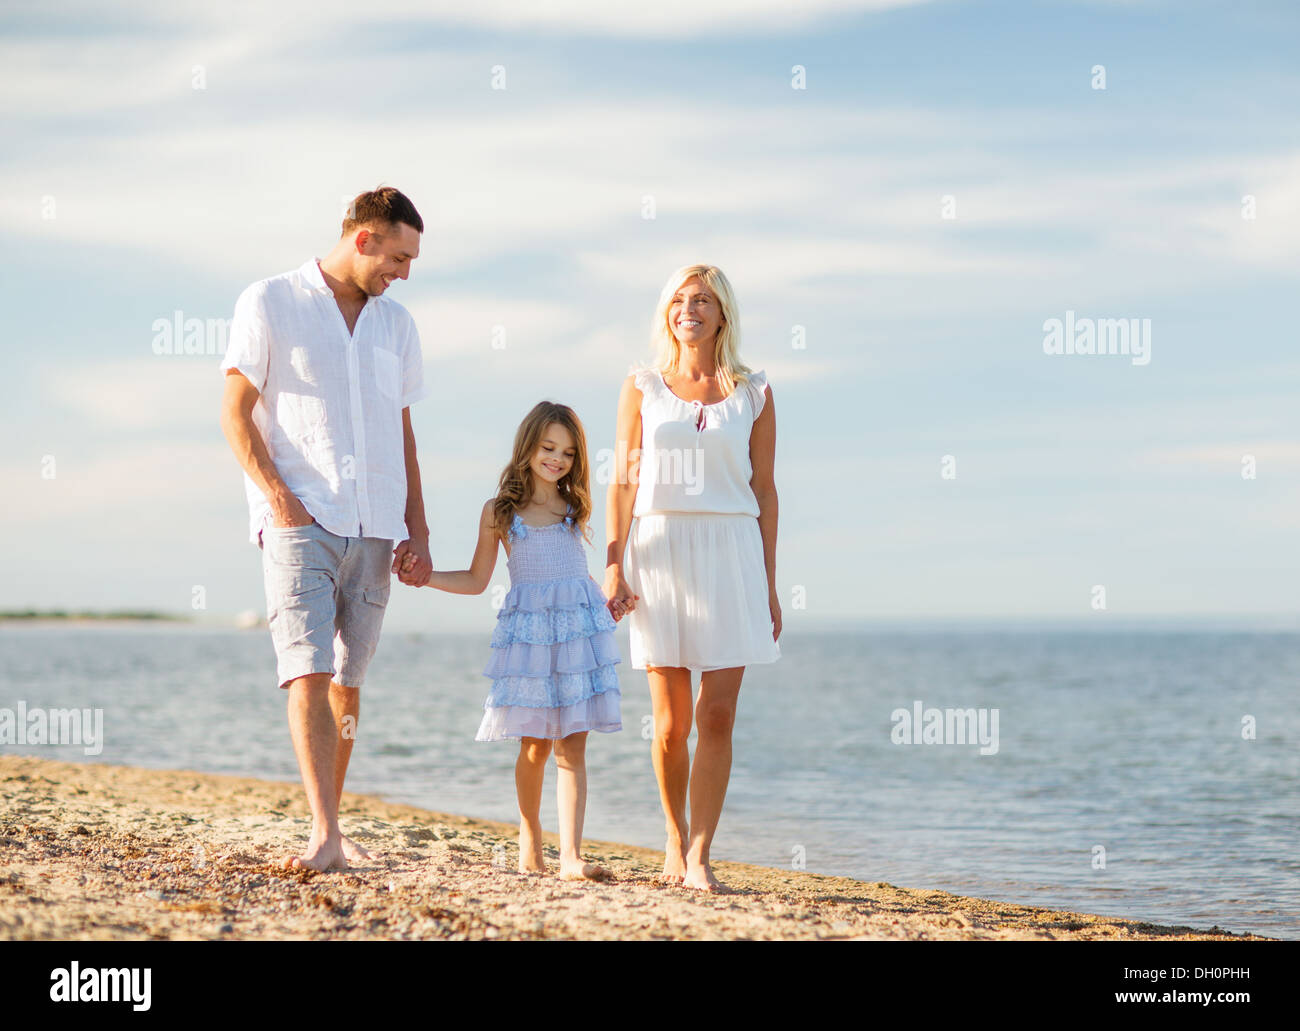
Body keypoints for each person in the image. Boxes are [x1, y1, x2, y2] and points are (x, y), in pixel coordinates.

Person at [218, 186, 432, 873]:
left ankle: (333, 825)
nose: (404, 273)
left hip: (375, 526)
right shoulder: (270, 301)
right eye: (398, 256)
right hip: (301, 519)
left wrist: (417, 528)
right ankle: (323, 832)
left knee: (349, 679)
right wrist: (280, 498)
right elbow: (234, 410)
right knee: (305, 669)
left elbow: (404, 433)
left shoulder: (397, 327)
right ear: (364, 238)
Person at [604, 263, 781, 892]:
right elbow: (623, 478)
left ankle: (702, 854)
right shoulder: (643, 385)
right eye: (679, 300)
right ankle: (674, 839)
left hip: (731, 548)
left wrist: (769, 582)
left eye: (703, 300)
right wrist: (613, 562)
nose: (690, 309)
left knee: (719, 716)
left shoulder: (753, 391)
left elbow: (764, 487)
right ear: (667, 313)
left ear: (722, 312)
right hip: (660, 547)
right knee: (672, 721)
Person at [402, 402, 620, 880]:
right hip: (531, 637)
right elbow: (478, 579)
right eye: (548, 448)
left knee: (574, 745)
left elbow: (576, 579)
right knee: (536, 745)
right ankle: (528, 834)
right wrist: (426, 578)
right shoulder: (501, 511)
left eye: (566, 452)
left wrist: (610, 603)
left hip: (577, 633)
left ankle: (572, 857)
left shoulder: (574, 508)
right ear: (528, 447)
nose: (556, 459)